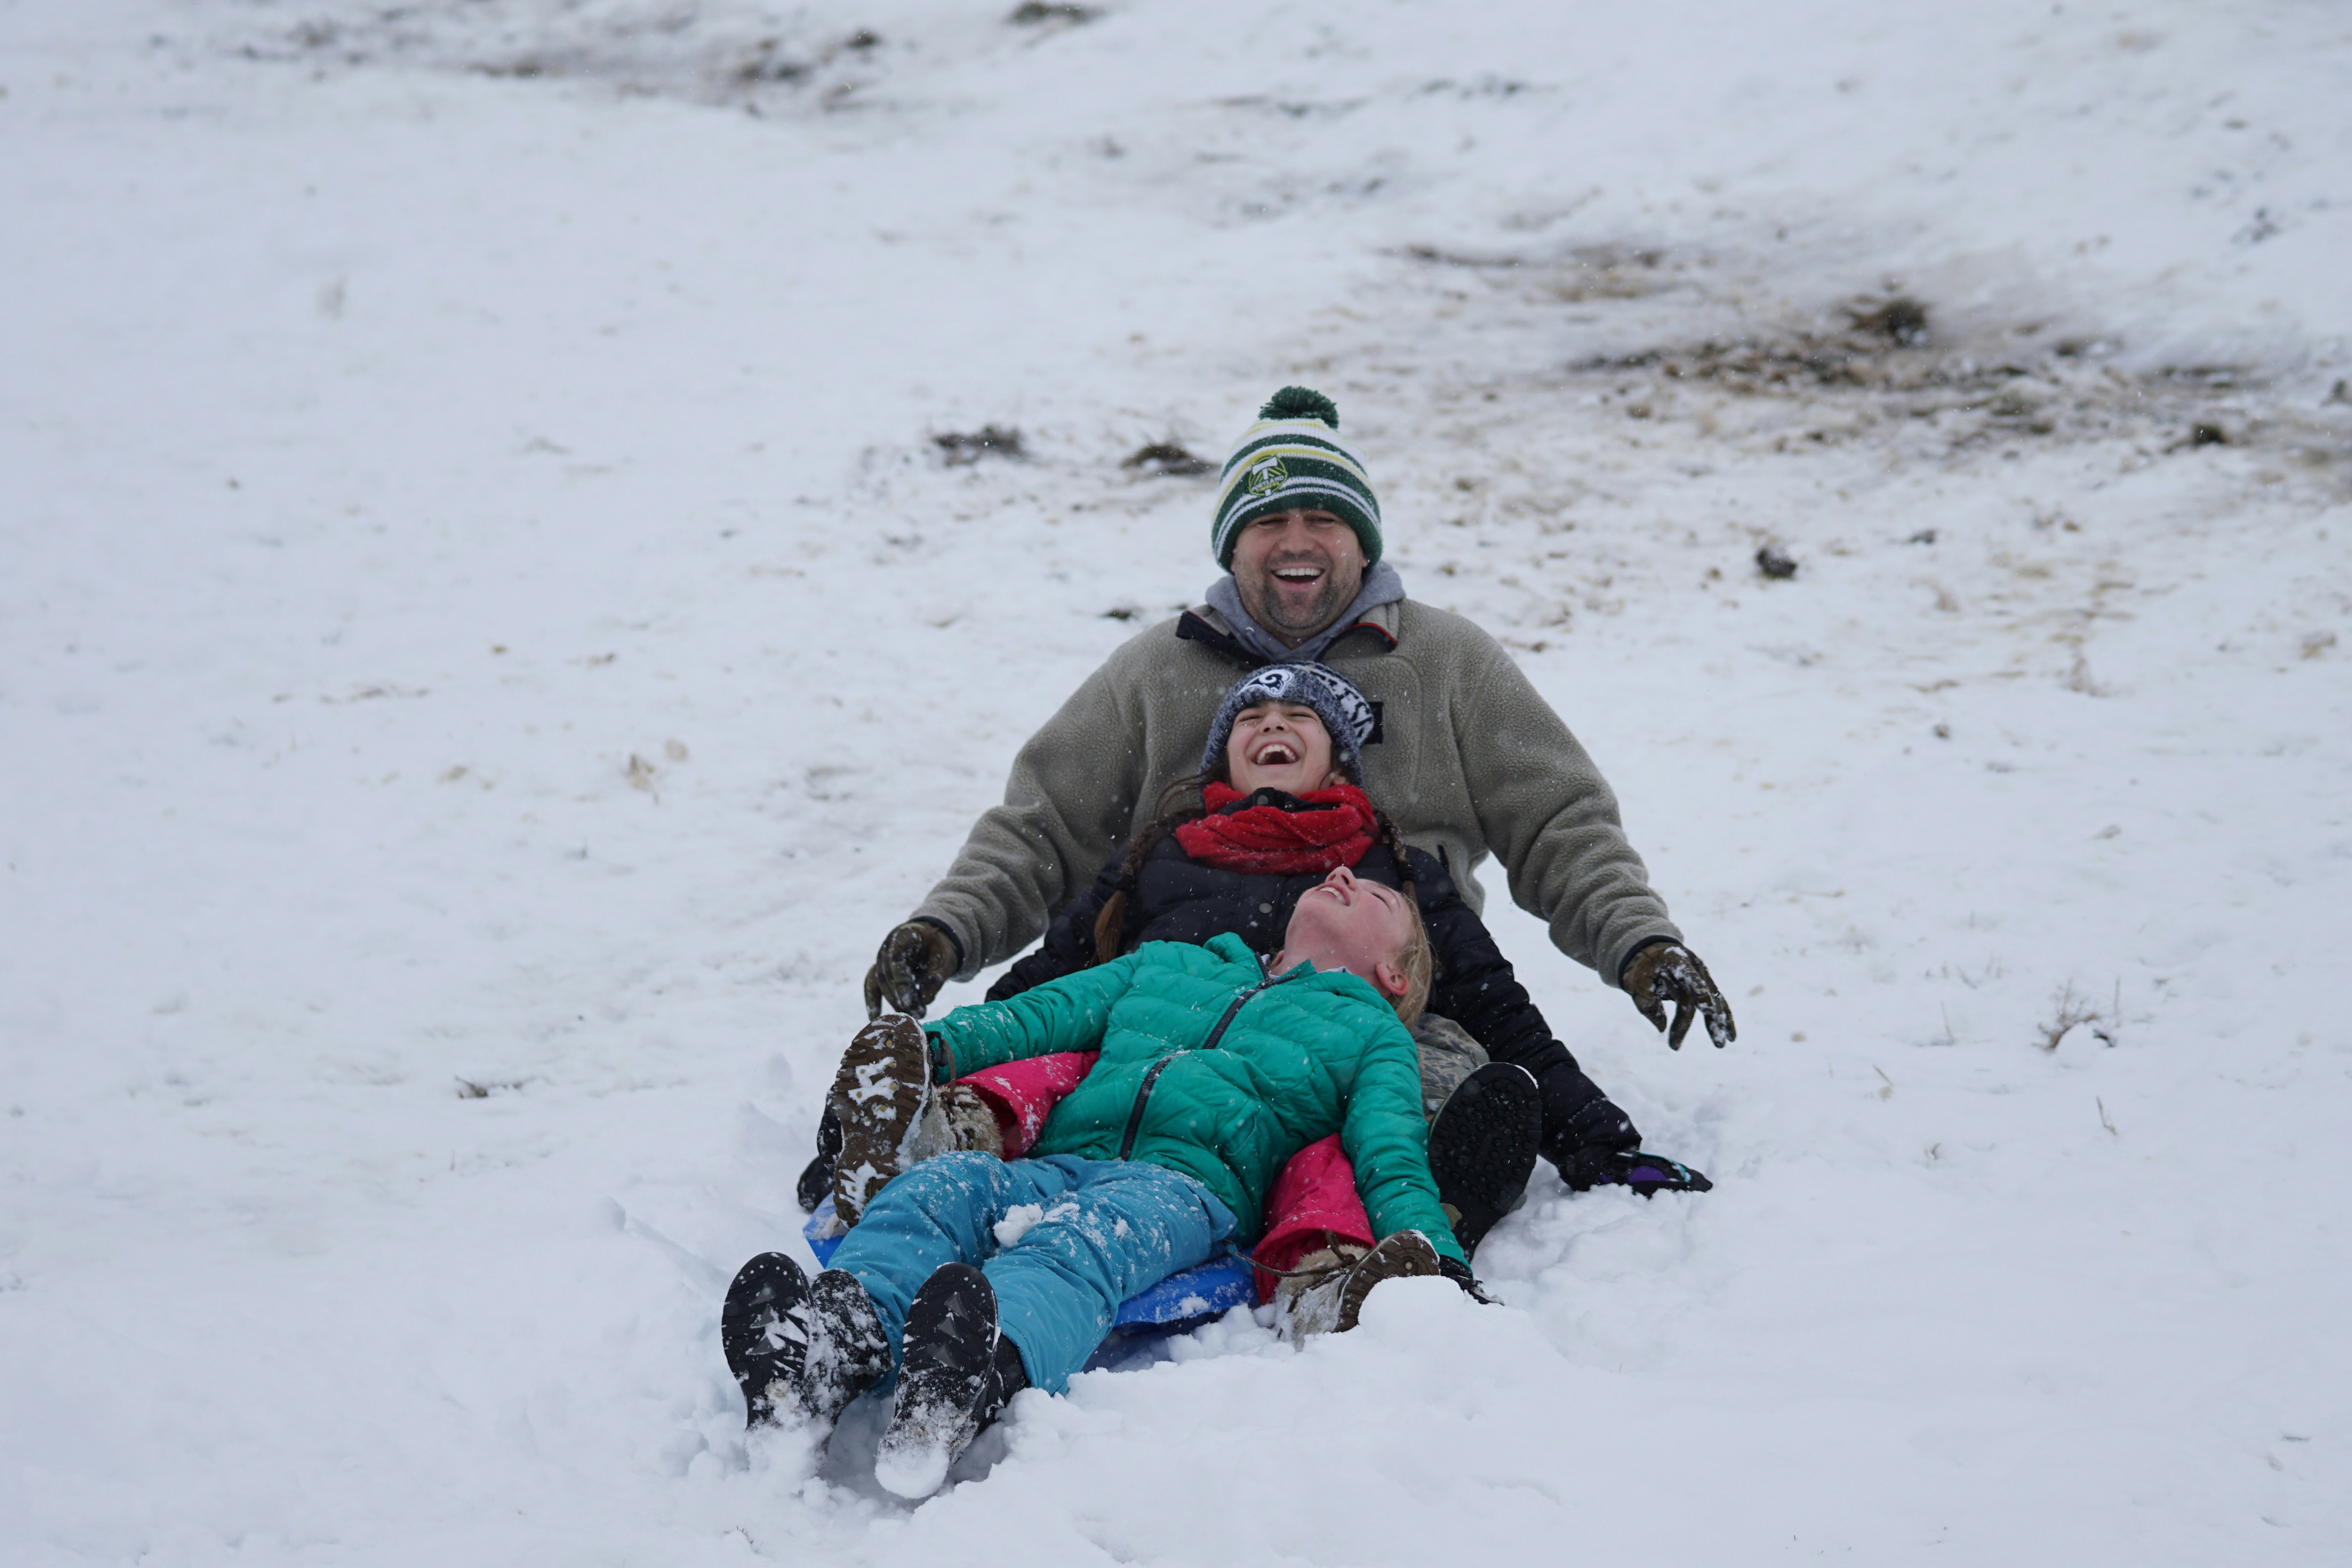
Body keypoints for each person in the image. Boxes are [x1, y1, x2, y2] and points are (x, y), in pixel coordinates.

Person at [860, 385, 1736, 1182]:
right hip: (1173, 1009)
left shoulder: (1447, 663)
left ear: (1363, 540)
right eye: (1269, 518)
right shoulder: (1154, 673)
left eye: (1324, 516)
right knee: (1045, 1069)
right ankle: (915, 1147)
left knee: (1425, 1092)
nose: (1297, 540)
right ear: (1233, 543)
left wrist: (1639, 943)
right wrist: (945, 932)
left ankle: (1411, 1197)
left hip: (1387, 1005)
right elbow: (1042, 828)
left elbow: (1560, 821)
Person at [723, 865, 1482, 1499]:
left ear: (1396, 974)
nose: (1344, 873)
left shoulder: (1371, 1032)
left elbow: (1391, 1152)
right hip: (1062, 1155)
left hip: (1184, 1186)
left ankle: (976, 1369)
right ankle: (830, 1344)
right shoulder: (1175, 962)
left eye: (1378, 895)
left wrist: (1439, 1261)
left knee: (1081, 1243)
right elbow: (1047, 1014)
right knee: (940, 1188)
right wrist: (931, 1048)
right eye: (1337, 875)